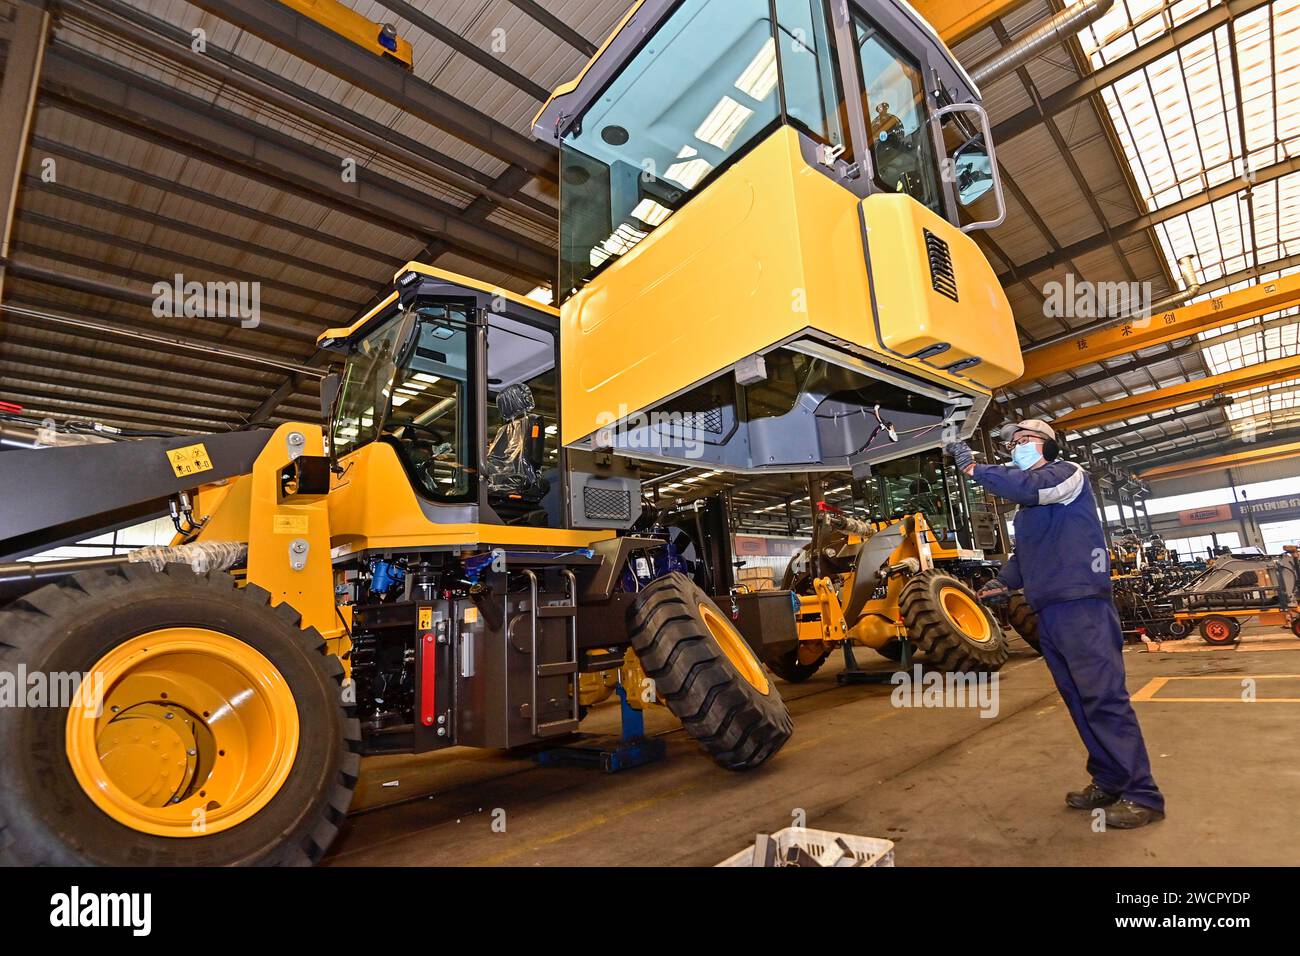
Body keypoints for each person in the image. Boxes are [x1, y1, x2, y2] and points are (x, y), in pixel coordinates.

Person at [946, 420, 1165, 829]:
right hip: (1049, 611)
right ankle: (1110, 779)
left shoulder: (1066, 476)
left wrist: (975, 468)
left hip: (1082, 605)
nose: (1016, 446)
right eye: (1012, 443)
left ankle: (1142, 794)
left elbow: (1027, 486)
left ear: (1047, 444)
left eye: (1023, 440)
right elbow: (1025, 555)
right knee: (1080, 701)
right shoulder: (1028, 514)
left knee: (1104, 699)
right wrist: (1002, 581)